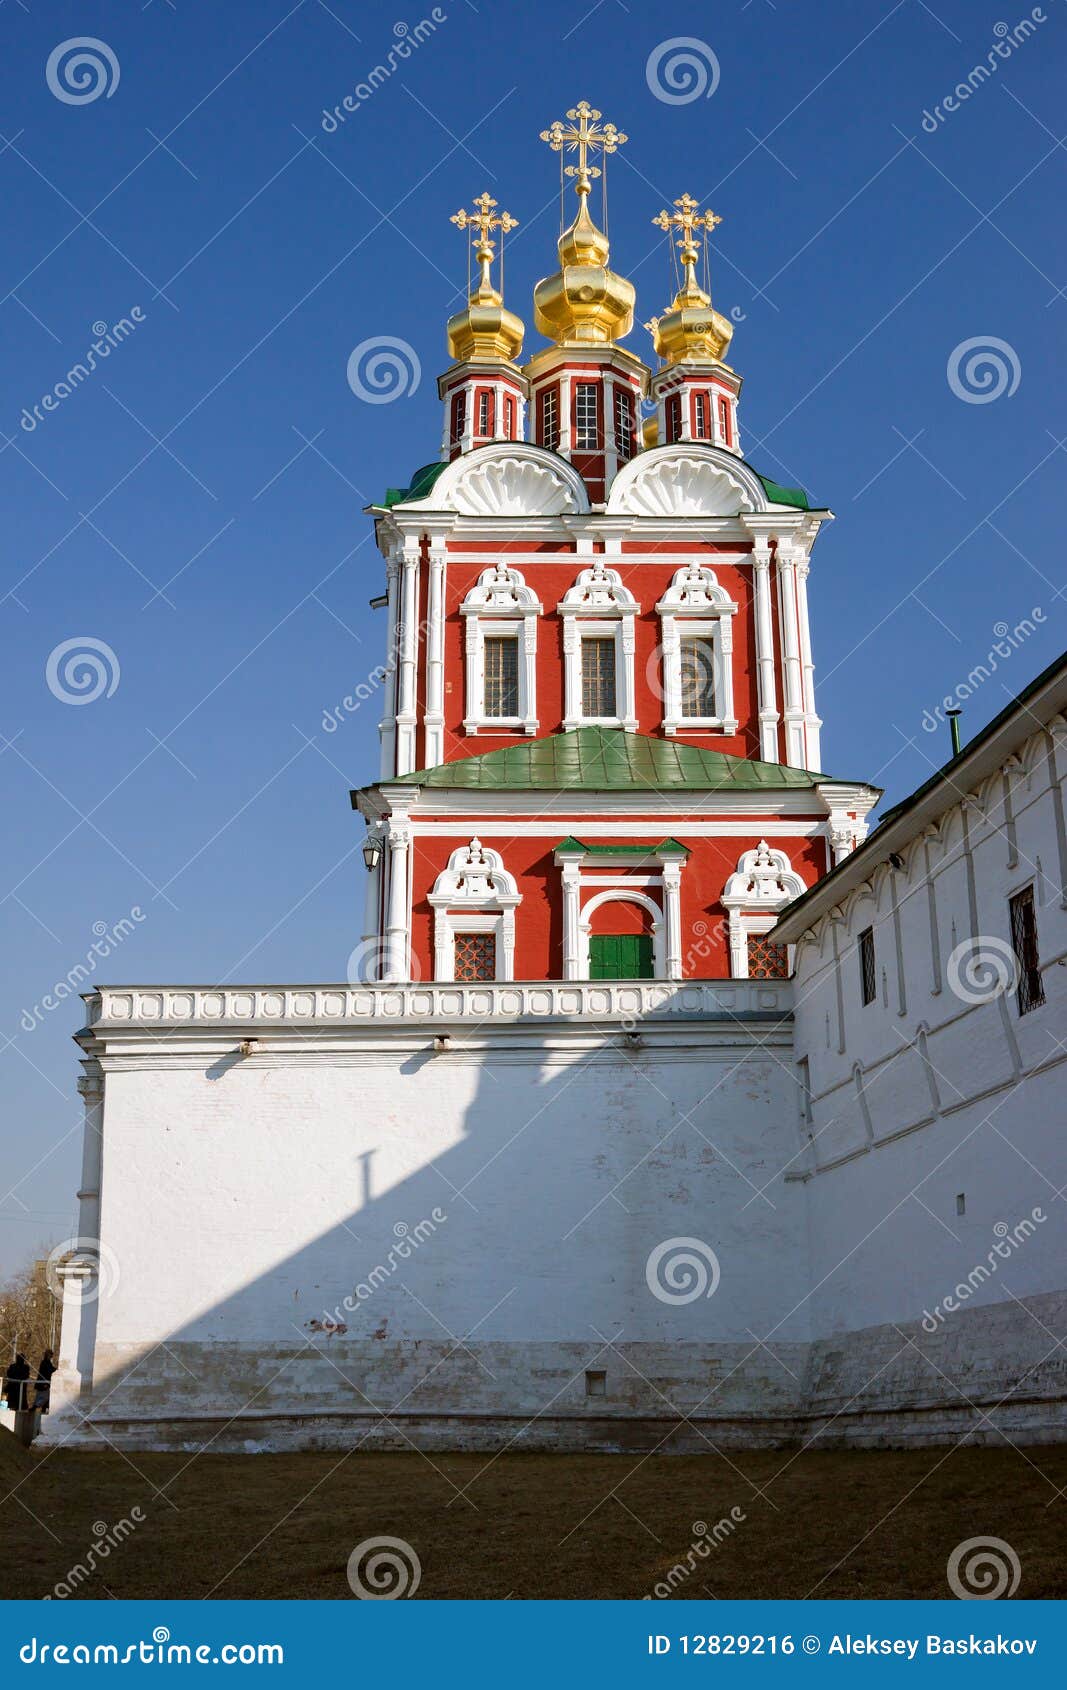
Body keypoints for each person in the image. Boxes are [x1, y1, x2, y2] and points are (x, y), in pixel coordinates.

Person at [34, 1349, 57, 1414]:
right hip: (43, 1384)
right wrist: (45, 1383)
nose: (51, 1356)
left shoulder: (47, 1363)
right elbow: (48, 1372)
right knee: (43, 1398)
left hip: (43, 1384)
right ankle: (35, 1408)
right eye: (50, 1355)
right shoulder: (45, 1363)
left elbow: (51, 1369)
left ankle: (42, 1409)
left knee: (44, 1398)